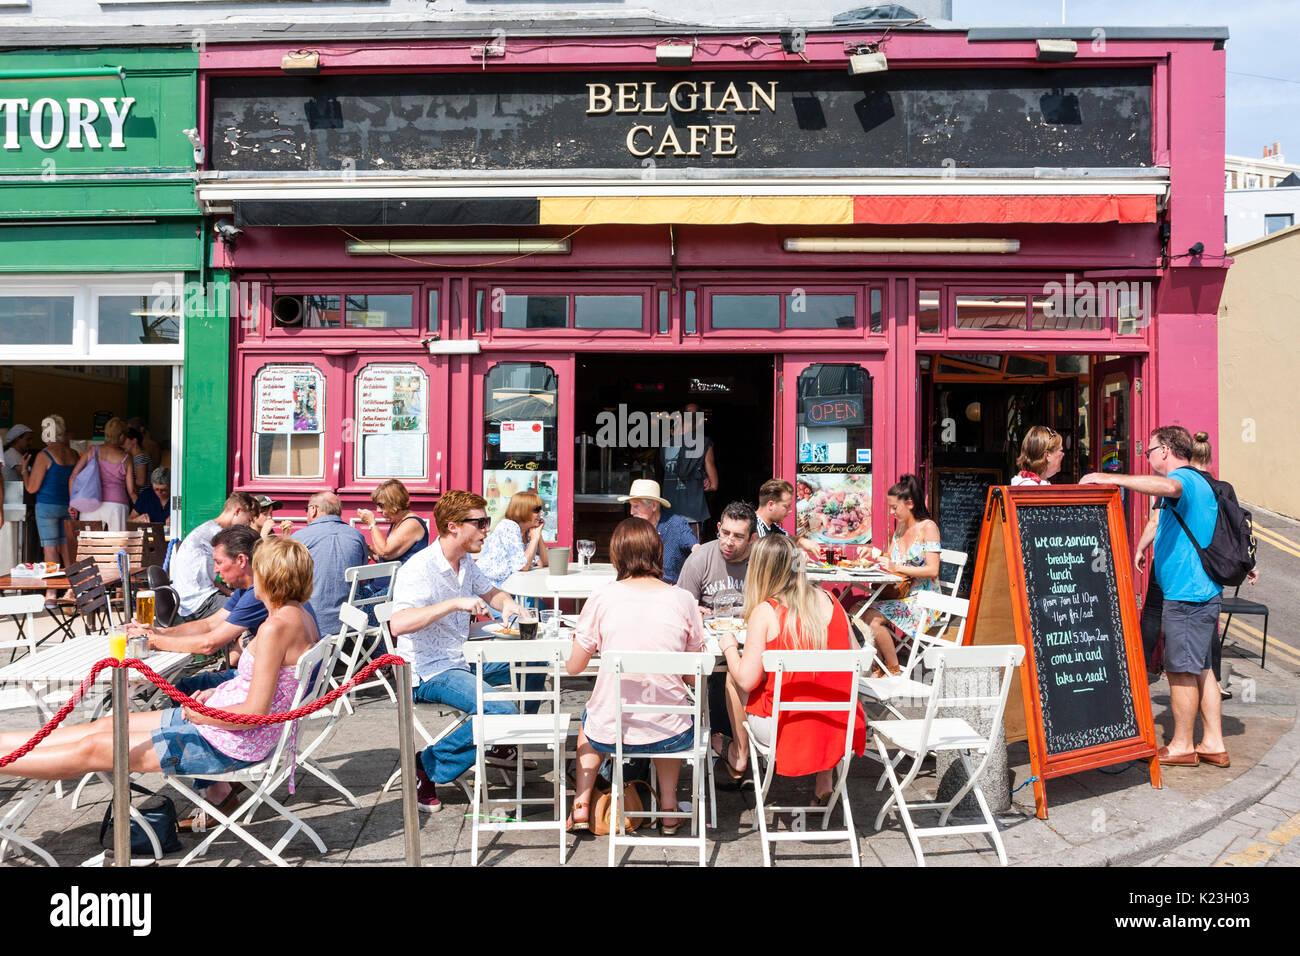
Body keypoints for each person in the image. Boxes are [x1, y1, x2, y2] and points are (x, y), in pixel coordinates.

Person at [1, 534, 319, 821]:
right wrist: (217, 696)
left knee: (96, 747)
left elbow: (254, 713)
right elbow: (266, 687)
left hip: (232, 742)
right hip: (230, 730)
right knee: (109, 725)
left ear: (270, 574)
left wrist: (203, 713)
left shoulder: (276, 627)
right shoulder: (298, 615)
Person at [1082, 425, 1227, 767]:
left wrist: (1111, 479)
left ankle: (1180, 745)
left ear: (1165, 450)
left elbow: (1168, 486)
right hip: (1200, 592)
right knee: (1203, 670)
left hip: (1188, 595)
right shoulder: (1200, 481)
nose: (1146, 457)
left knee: (1180, 672)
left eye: (1148, 451)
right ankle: (1213, 743)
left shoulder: (1185, 479)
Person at [387, 490, 530, 812]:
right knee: (501, 711)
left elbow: (492, 592)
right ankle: (427, 764)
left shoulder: (465, 562)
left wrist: (509, 605)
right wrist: (453, 603)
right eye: (479, 523)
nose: (486, 529)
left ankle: (502, 741)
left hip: (459, 657)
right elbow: (398, 624)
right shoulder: (419, 568)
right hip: (427, 670)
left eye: (486, 521)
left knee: (533, 660)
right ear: (453, 526)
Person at [565, 517, 707, 833]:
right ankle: (669, 811)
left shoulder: (602, 597)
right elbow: (694, 676)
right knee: (670, 715)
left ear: (617, 554)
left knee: (588, 722)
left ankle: (581, 804)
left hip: (611, 731)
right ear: (658, 553)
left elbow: (573, 666)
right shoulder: (683, 599)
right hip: (671, 734)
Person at [713, 534, 868, 804]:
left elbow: (747, 681)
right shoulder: (831, 601)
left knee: (732, 676)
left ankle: (739, 755)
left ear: (761, 569)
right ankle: (824, 778)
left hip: (784, 725)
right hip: (839, 724)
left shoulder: (766, 611)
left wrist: (728, 647)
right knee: (820, 687)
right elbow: (857, 658)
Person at [1134, 430, 1254, 700]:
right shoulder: (1221, 487)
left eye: (1150, 451)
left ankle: (1140, 672)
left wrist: (1141, 547)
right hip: (1209, 572)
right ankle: (1218, 688)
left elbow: (1155, 522)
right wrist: (1249, 563)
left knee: (1157, 622)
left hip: (1182, 574)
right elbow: (1236, 530)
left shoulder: (1176, 482)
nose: (1149, 456)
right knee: (1205, 653)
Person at [675, 500, 757, 758]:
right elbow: (680, 606)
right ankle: (724, 739)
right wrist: (692, 610)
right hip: (711, 646)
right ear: (719, 528)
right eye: (726, 533)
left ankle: (746, 743)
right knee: (720, 677)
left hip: (750, 644)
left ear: (752, 539)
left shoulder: (760, 562)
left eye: (738, 536)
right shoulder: (700, 558)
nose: (729, 541)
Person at [858, 474, 942, 677]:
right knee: (857, 609)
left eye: (894, 507)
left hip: (923, 600)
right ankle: (879, 665)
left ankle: (892, 668)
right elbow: (891, 557)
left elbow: (933, 570)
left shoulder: (928, 528)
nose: (891, 512)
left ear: (910, 503)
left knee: (871, 617)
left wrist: (897, 566)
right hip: (901, 595)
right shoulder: (901, 528)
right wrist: (875, 553)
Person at [171, 491, 257, 622]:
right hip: (197, 603)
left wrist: (230, 593)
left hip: (189, 600)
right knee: (251, 610)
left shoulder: (209, 529)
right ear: (237, 511)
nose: (248, 525)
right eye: (249, 519)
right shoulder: (219, 536)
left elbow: (209, 579)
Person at [292, 491, 368, 639]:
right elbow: (362, 579)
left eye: (306, 509)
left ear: (313, 509)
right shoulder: (357, 536)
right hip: (351, 623)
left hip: (312, 623)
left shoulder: (298, 538)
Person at [19, 416, 77, 603]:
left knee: (50, 550)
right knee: (67, 549)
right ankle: (72, 589)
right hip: (69, 506)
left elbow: (32, 488)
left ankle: (51, 593)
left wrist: (24, 471)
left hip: (47, 507)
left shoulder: (44, 455)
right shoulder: (74, 454)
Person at [618, 478, 696, 584]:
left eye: (636, 506)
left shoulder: (675, 525)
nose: (631, 512)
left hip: (670, 592)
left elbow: (697, 550)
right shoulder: (633, 530)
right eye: (631, 506)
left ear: (654, 506)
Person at [660, 402, 718, 538]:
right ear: (698, 422)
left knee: (669, 555)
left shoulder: (665, 447)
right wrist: (702, 478)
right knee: (693, 556)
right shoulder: (704, 444)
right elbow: (714, 485)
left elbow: (666, 472)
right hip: (693, 512)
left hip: (668, 511)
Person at [69, 416, 135, 532]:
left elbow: (73, 476)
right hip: (116, 505)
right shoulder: (126, 458)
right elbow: (131, 491)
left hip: (91, 502)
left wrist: (74, 502)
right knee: (118, 546)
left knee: (90, 546)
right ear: (121, 436)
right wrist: (140, 509)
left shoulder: (92, 451)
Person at [474, 489, 546, 589]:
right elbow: (522, 566)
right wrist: (534, 539)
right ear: (524, 511)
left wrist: (538, 534)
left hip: (509, 588)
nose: (541, 514)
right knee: (536, 604)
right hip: (488, 588)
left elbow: (544, 562)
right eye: (537, 510)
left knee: (540, 605)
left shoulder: (527, 531)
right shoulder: (508, 526)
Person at [357, 479, 429, 565]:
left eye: (381, 505)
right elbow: (387, 559)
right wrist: (368, 549)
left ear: (394, 502)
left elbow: (385, 552)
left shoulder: (411, 523)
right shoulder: (397, 522)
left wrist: (371, 523)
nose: (378, 510)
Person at [755, 478, 823, 561]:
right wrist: (793, 555)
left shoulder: (770, 525)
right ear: (771, 505)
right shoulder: (755, 526)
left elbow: (786, 538)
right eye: (786, 506)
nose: (790, 511)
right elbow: (763, 558)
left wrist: (801, 541)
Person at [122, 426, 152, 491]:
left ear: (134, 441)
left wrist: (123, 480)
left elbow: (141, 482)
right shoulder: (136, 457)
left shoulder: (140, 457)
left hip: (142, 497)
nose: (122, 444)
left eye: (124, 440)